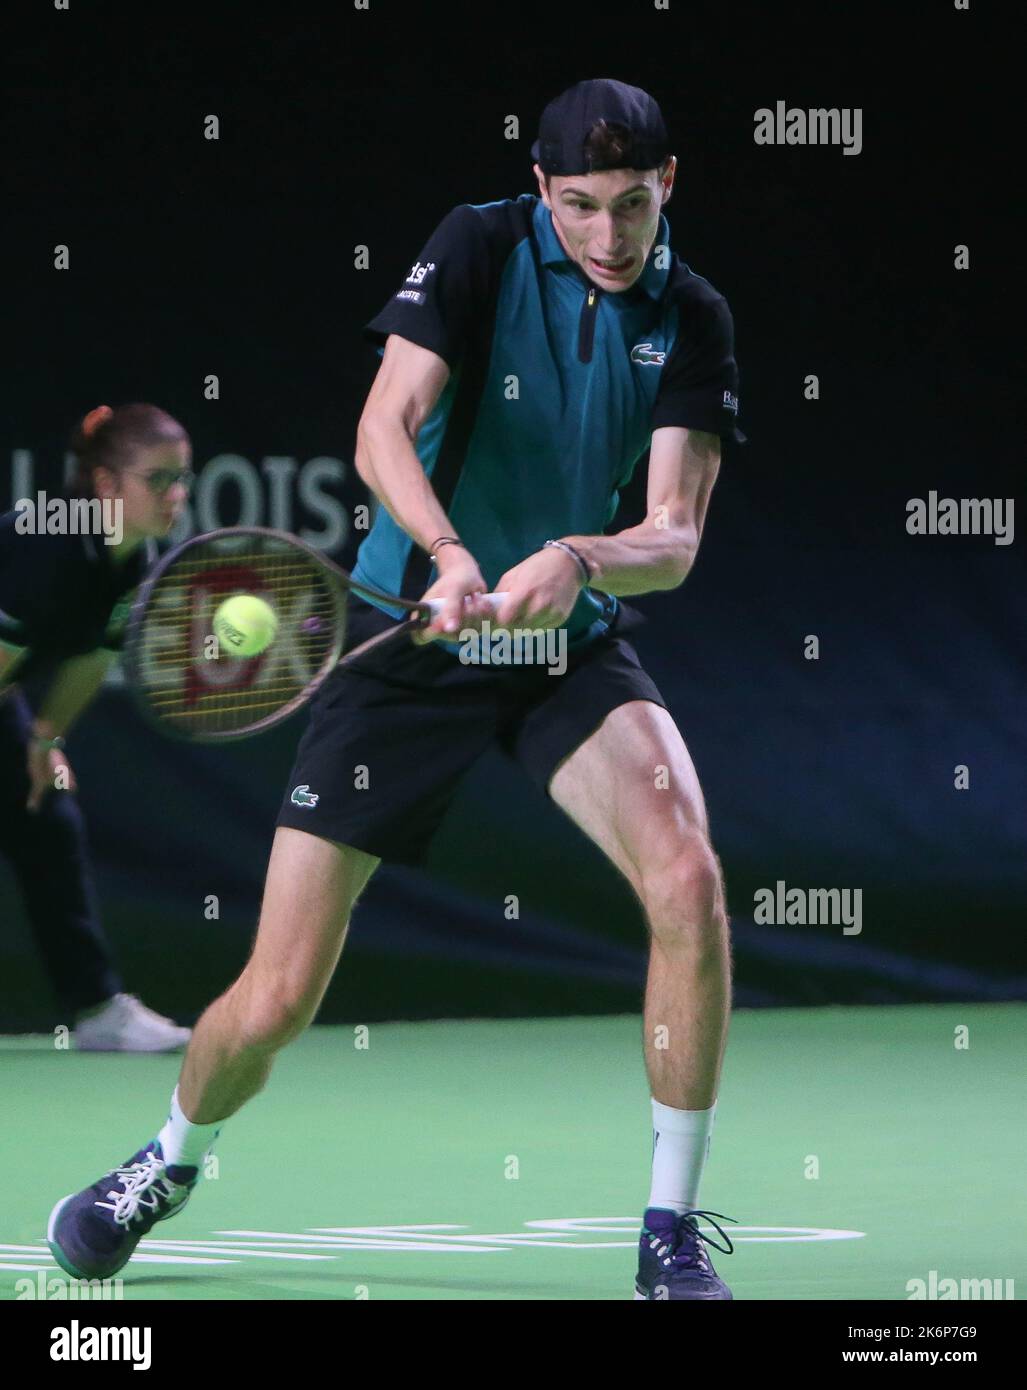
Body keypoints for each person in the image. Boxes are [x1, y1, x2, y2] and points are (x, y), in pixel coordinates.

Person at [48, 80, 745, 1299]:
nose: (606, 234)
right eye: (579, 205)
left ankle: (667, 1233)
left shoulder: (691, 314)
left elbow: (675, 531)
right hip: (410, 639)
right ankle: (166, 1159)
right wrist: (451, 553)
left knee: (686, 875)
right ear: (541, 191)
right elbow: (386, 425)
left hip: (561, 643)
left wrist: (577, 556)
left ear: (668, 187)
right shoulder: (476, 246)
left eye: (631, 205)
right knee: (271, 998)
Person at [1, 404, 193, 1052]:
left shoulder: (130, 559)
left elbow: (93, 655)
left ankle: (96, 1011)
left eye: (181, 478)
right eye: (159, 479)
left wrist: (45, 739)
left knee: (48, 817)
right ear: (108, 485)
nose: (177, 495)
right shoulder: (48, 550)